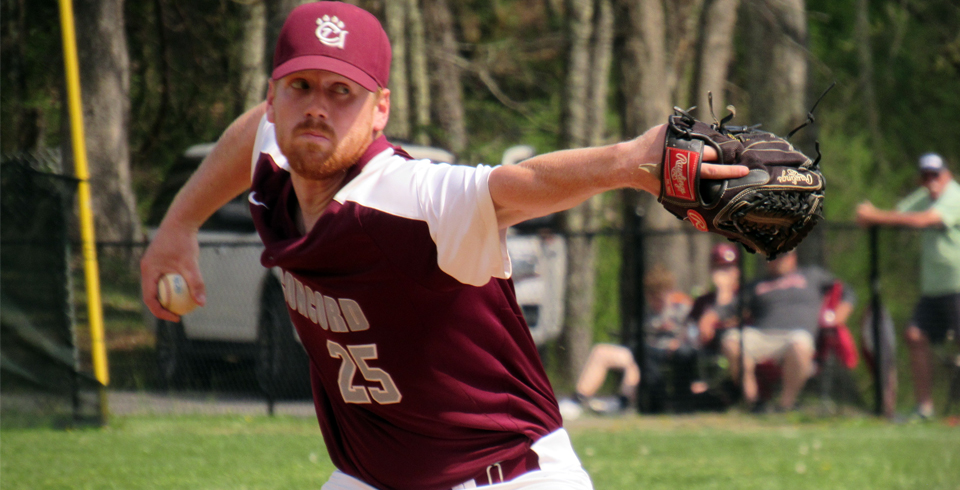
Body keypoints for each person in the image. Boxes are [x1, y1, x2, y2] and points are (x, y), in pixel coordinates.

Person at [140, 3, 748, 489]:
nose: (317, 109)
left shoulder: (407, 199)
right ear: (273, 97)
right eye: (300, 86)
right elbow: (250, 132)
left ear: (380, 111)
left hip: (501, 476)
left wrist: (624, 161)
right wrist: (177, 228)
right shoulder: (274, 155)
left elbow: (517, 185)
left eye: (342, 93)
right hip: (369, 477)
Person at [856, 152, 960, 420]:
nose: (931, 181)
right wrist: (872, 216)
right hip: (934, 290)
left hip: (957, 287)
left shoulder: (954, 196)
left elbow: (922, 220)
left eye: (935, 175)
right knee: (914, 335)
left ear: (946, 174)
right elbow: (900, 214)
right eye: (925, 176)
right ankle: (924, 408)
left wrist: (876, 215)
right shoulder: (926, 197)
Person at [720, 250, 854, 412]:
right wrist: (712, 310)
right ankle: (753, 402)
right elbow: (728, 309)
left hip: (795, 337)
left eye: (782, 256)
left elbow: (847, 292)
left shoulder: (812, 275)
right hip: (761, 335)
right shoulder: (756, 285)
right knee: (731, 341)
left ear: (793, 257)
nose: (777, 261)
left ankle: (785, 405)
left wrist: (839, 316)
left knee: (800, 344)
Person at [573, 265, 695, 414]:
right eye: (651, 296)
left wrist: (678, 341)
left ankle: (623, 402)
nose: (655, 301)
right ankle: (578, 401)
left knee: (636, 362)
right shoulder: (646, 312)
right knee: (601, 351)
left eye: (659, 296)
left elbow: (693, 337)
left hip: (665, 355)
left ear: (670, 291)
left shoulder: (684, 310)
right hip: (640, 351)